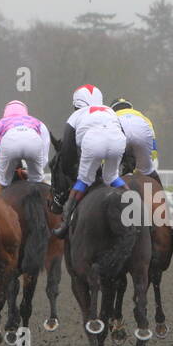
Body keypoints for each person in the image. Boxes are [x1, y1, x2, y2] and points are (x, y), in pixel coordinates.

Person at [51, 84, 127, 238]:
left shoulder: (75, 116)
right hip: (118, 141)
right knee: (112, 177)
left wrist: (71, 171)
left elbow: (67, 153)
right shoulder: (110, 110)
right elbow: (122, 133)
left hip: (93, 143)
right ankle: (136, 208)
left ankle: (65, 223)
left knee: (84, 180)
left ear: (78, 103)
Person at [0, 100, 51, 193]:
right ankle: (51, 205)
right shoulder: (38, 123)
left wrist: (3, 174)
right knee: (39, 179)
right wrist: (34, 172)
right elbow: (44, 155)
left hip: (10, 142)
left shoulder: (0, 123)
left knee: (1, 181)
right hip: (33, 141)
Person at [111, 98, 161, 184]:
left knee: (109, 174)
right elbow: (153, 148)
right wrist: (148, 166)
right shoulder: (142, 117)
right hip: (141, 137)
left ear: (113, 109)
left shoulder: (111, 116)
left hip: (119, 137)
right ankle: (160, 195)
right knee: (149, 172)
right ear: (131, 108)